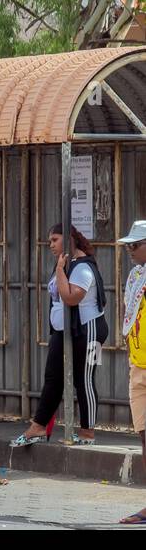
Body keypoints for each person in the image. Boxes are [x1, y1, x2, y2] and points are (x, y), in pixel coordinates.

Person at [11, 225, 108, 447]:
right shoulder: (67, 264)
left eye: (55, 239)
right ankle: (38, 425)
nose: (51, 245)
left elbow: (70, 298)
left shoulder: (82, 268)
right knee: (53, 377)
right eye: (49, 241)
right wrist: (61, 269)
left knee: (84, 378)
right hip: (65, 332)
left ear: (70, 239)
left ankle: (87, 431)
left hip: (90, 331)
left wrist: (60, 271)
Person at [116, 220, 146, 525]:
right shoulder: (136, 277)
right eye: (129, 246)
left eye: (135, 246)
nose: (130, 251)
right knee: (144, 437)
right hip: (138, 365)